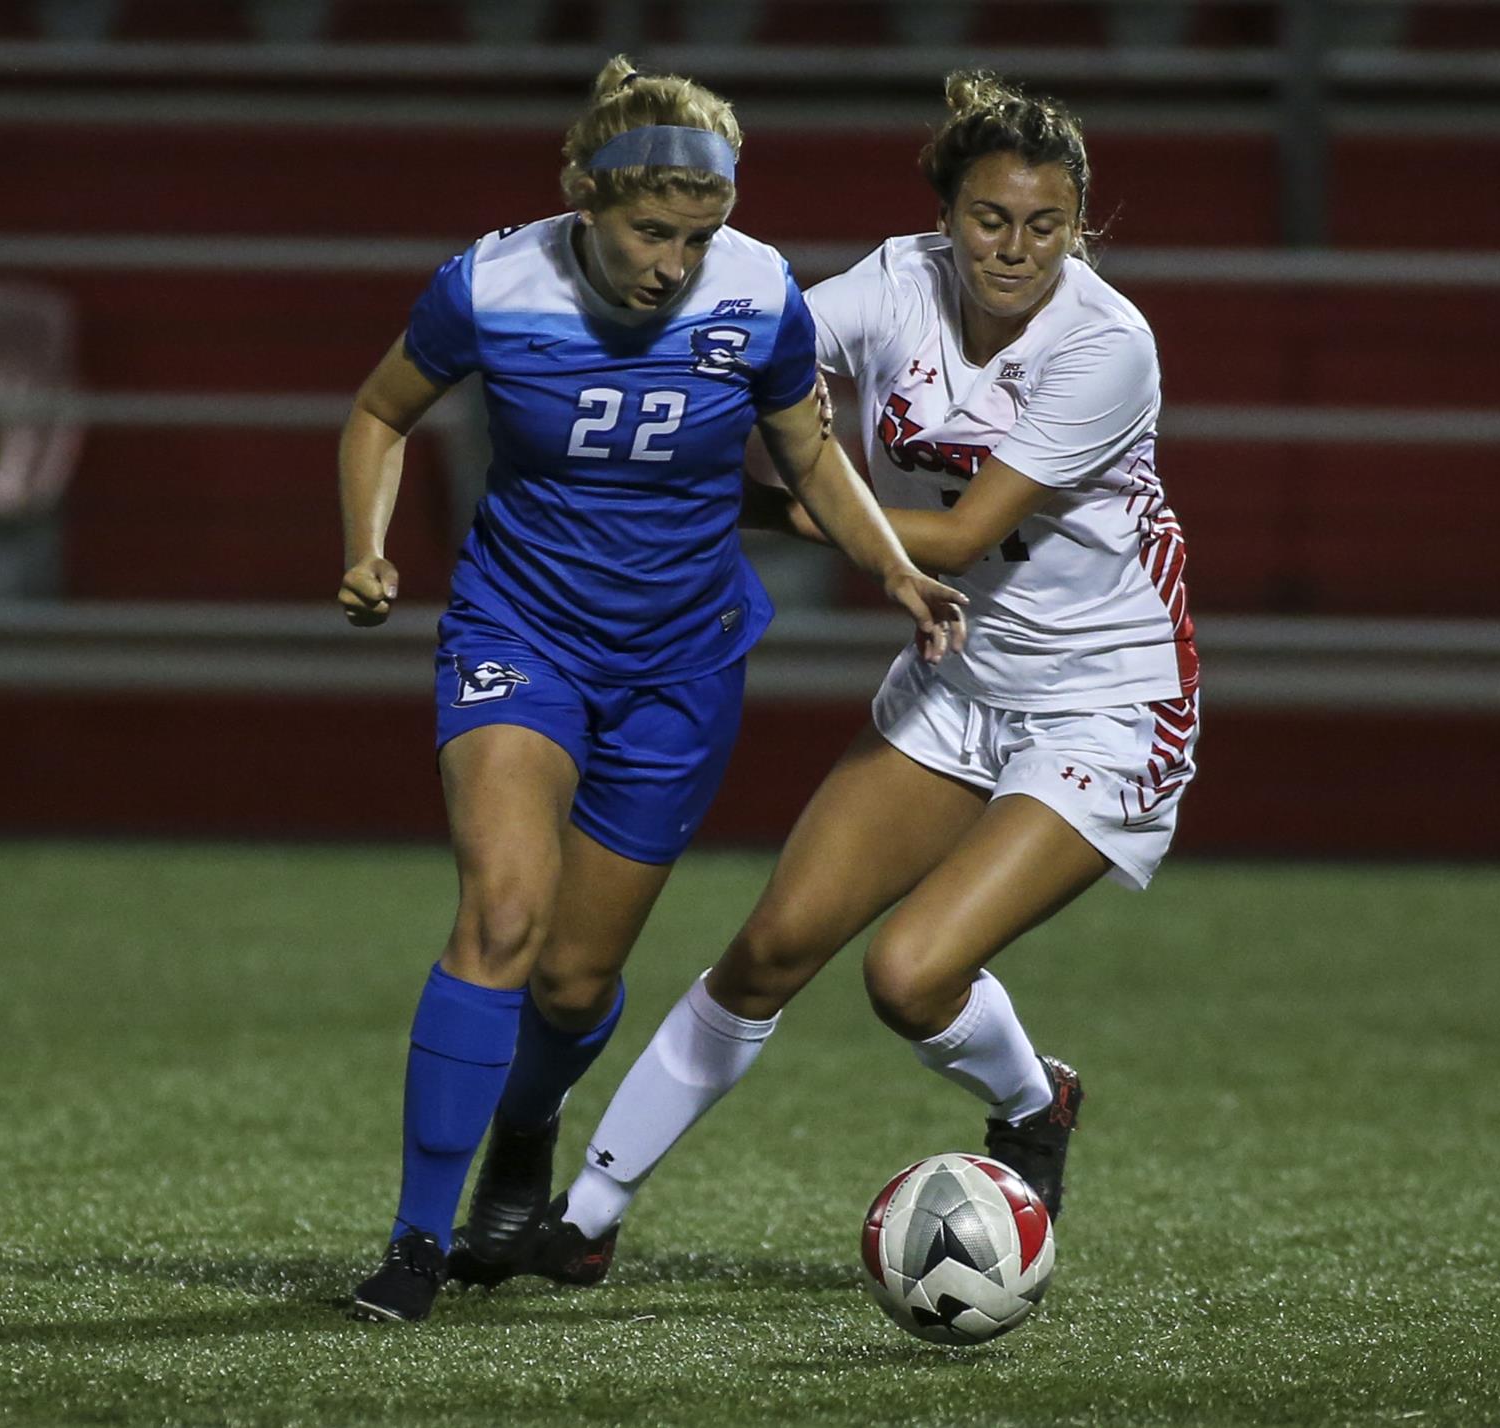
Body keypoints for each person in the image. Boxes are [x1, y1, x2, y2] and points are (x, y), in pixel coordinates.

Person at [491, 69, 1201, 1287]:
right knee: (769, 949)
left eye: (1044, 225)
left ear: (1077, 226)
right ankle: (588, 1214)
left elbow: (961, 537)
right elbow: (750, 353)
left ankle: (1034, 1107)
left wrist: (737, 498)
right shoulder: (894, 284)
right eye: (989, 219)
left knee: (908, 975)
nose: (1014, 249)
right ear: (946, 215)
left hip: (1105, 696)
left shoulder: (1106, 344)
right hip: (959, 676)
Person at [336, 56, 966, 1323]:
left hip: (680, 664)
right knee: (501, 920)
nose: (674, 263)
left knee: (572, 985)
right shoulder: (490, 284)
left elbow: (808, 454)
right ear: (583, 195)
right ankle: (413, 1243)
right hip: (519, 634)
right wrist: (366, 544)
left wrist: (893, 568)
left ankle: (527, 1131)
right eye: (649, 232)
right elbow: (378, 413)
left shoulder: (758, 290)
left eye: (698, 234)